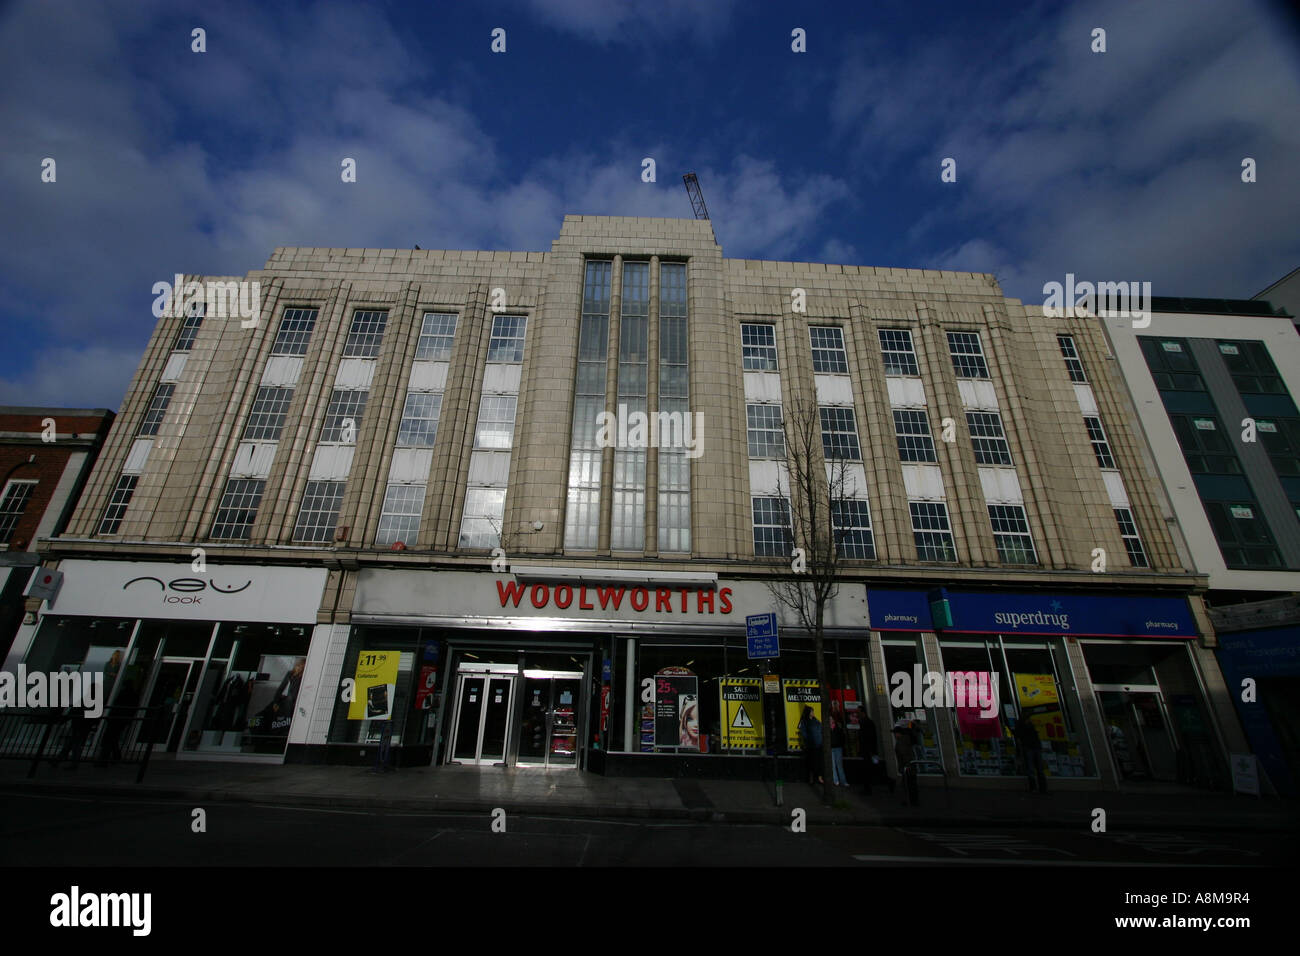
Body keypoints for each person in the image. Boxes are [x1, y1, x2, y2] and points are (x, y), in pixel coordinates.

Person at [1015, 714, 1048, 793]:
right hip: (1030, 748)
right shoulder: (1025, 727)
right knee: (1035, 768)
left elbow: (1019, 738)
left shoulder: (1027, 727)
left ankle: (1038, 787)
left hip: (1031, 748)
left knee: (1034, 768)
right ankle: (1039, 787)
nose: (1029, 720)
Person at [893, 721, 919, 806]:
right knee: (911, 784)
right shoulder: (906, 739)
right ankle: (913, 800)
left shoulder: (901, 742)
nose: (894, 735)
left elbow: (904, 754)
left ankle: (910, 801)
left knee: (907, 784)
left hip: (907, 766)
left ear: (898, 733)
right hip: (910, 765)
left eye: (895, 733)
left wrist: (905, 766)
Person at [797, 705, 823, 785]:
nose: (813, 713)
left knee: (819, 761)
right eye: (812, 711)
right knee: (812, 761)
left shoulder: (816, 721)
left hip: (818, 744)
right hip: (811, 745)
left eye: (813, 711)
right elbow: (803, 733)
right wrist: (809, 740)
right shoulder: (805, 722)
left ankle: (819, 777)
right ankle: (812, 778)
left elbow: (821, 729)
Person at [829, 714, 847, 787]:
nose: (830, 720)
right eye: (829, 719)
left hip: (838, 748)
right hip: (831, 748)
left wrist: (841, 745)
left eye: (831, 719)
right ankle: (836, 780)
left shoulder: (838, 727)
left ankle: (843, 781)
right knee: (833, 765)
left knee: (839, 765)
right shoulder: (827, 728)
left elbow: (842, 736)